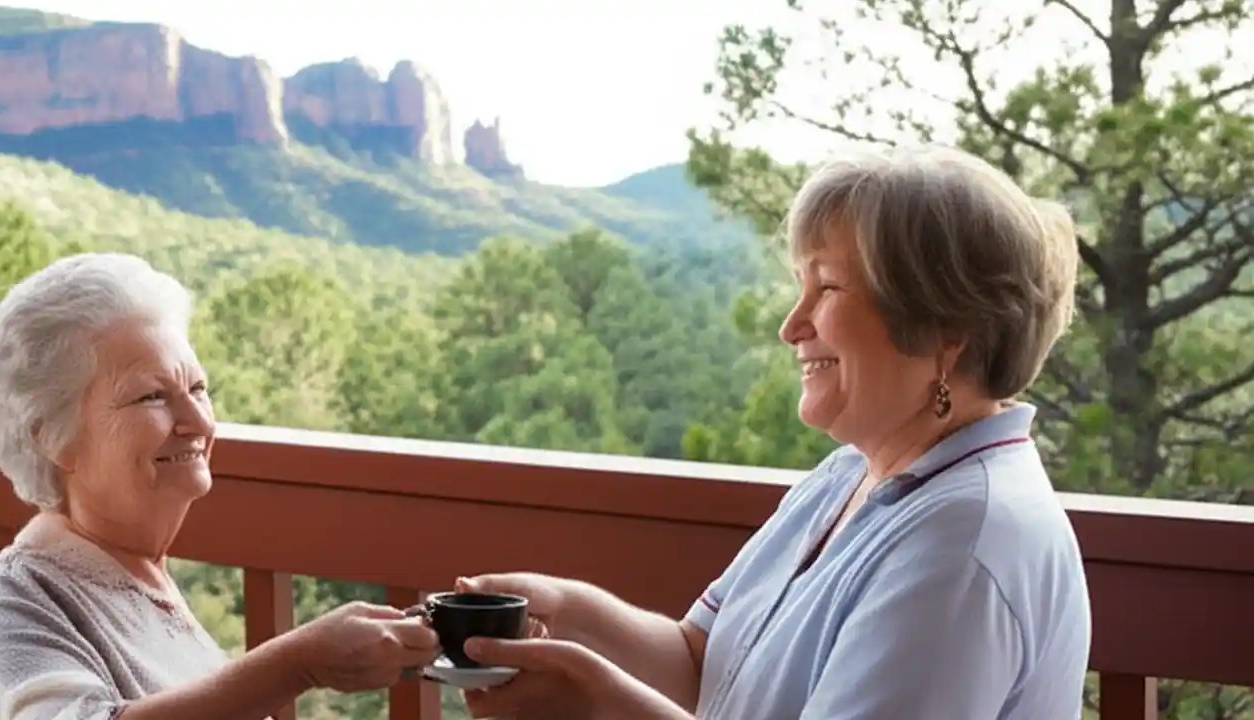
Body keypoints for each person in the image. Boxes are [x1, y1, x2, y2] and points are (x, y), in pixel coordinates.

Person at [454, 145, 1093, 719]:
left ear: (946, 331)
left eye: (829, 287)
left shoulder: (966, 543)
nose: (792, 326)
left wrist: (602, 706)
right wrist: (569, 614)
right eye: (799, 286)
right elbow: (703, 666)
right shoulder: (849, 477)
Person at [0, 253, 440, 719]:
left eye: (198, 389)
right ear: (52, 437)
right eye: (152, 396)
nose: (197, 421)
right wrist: (297, 666)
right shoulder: (16, 604)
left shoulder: (133, 576)